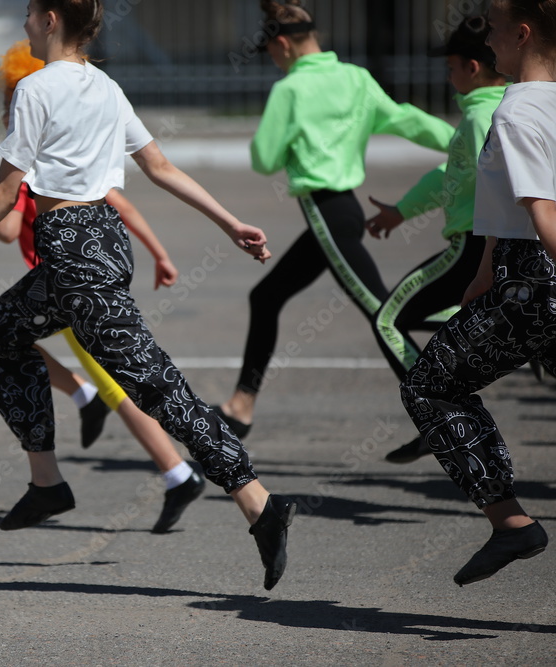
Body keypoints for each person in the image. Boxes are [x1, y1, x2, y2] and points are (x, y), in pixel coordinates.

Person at [0, 0, 297, 590]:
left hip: (74, 253)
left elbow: (6, 188)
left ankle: (257, 500)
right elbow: (161, 166)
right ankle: (47, 483)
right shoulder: (105, 86)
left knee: (154, 386)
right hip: (95, 244)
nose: (20, 25)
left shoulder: (37, 90)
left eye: (26, 14)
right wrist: (229, 222)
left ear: (48, 19)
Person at [0, 40, 207, 535]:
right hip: (57, 284)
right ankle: (95, 416)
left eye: (11, 101)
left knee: (118, 383)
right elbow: (122, 204)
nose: (9, 111)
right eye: (7, 102)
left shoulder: (38, 162)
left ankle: (176, 472)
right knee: (15, 342)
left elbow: (6, 223)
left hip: (67, 285)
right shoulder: (61, 157)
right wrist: (157, 252)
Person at [214, 0, 456, 440]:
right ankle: (241, 405)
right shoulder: (356, 78)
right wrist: (463, 139)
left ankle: (445, 405)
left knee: (384, 314)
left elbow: (264, 158)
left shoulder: (289, 90)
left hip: (327, 214)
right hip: (341, 213)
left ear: (283, 44)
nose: (272, 59)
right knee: (266, 297)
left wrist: (291, 144)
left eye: (269, 51)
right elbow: (406, 120)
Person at [400, 0, 552, 586]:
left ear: (523, 31)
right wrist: (484, 270)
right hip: (517, 272)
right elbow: (509, 208)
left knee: (432, 385)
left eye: (492, 25)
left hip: (536, 282)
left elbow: (541, 211)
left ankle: (511, 522)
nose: (485, 37)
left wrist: (502, 272)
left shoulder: (517, 112)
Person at [364, 16, 508, 464]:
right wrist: (401, 210)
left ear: (473, 67)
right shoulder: (508, 108)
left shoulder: (479, 119)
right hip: (501, 248)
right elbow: (451, 177)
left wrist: (489, 258)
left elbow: (501, 187)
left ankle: (436, 417)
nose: (447, 77)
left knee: (388, 319)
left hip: (475, 247)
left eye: (450, 67)